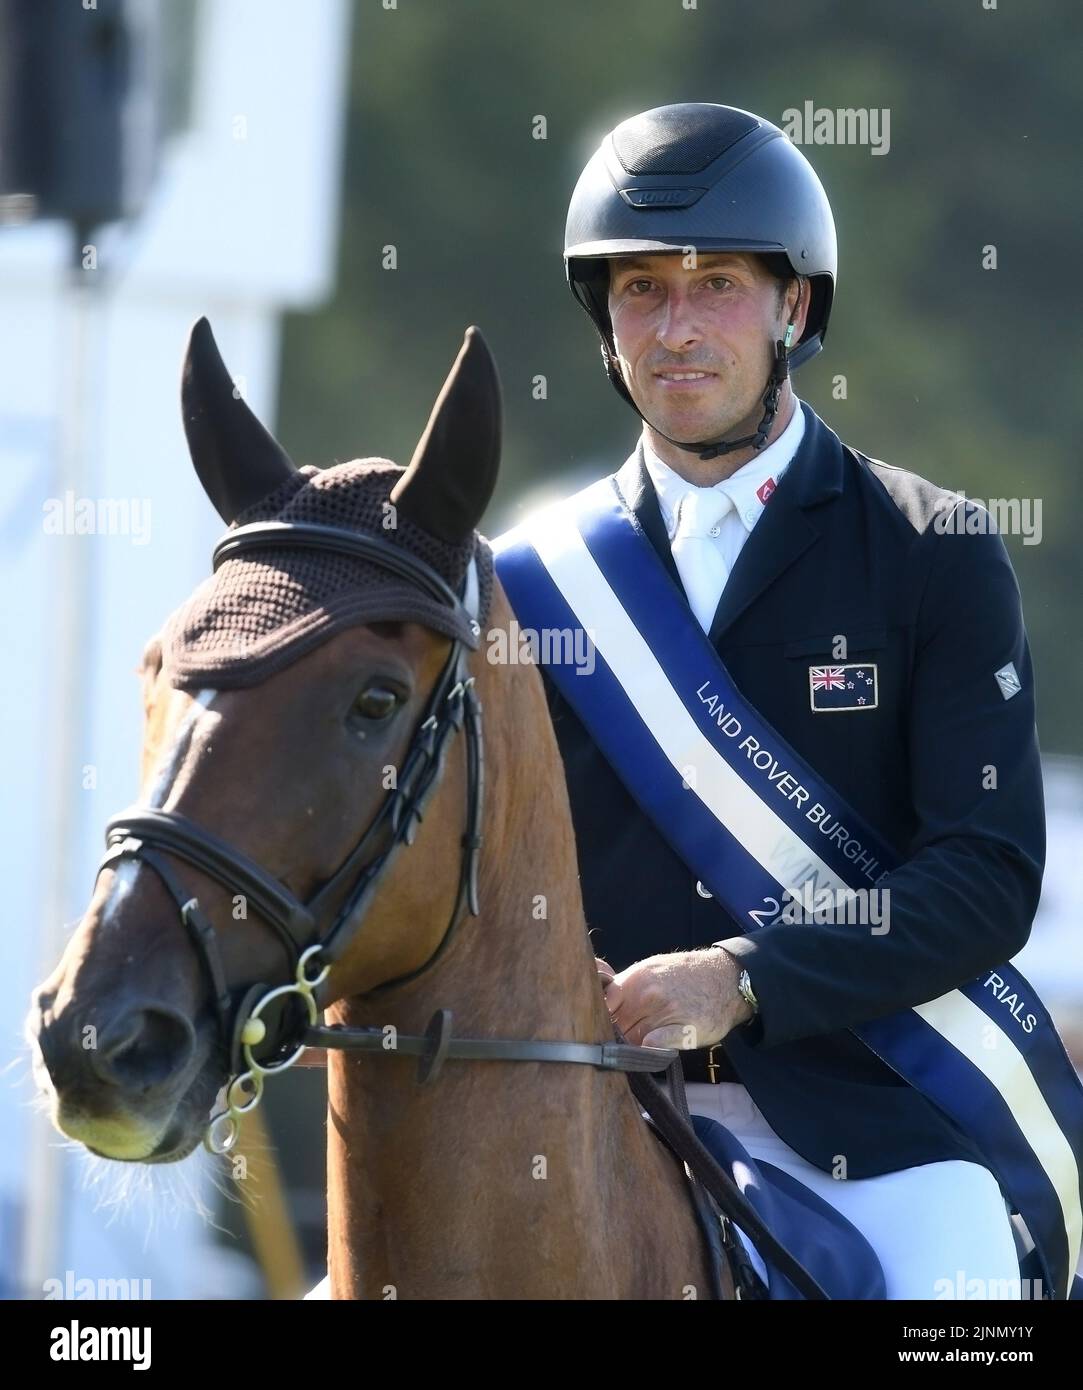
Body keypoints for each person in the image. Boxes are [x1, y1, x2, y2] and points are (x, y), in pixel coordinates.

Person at [492, 102, 1072, 1300]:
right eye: (642, 289)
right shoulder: (527, 581)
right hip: (588, 1116)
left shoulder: (934, 549)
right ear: (605, 324)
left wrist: (745, 979)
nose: (678, 326)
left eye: (717, 285)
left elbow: (987, 874)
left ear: (795, 308)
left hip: (879, 1129)